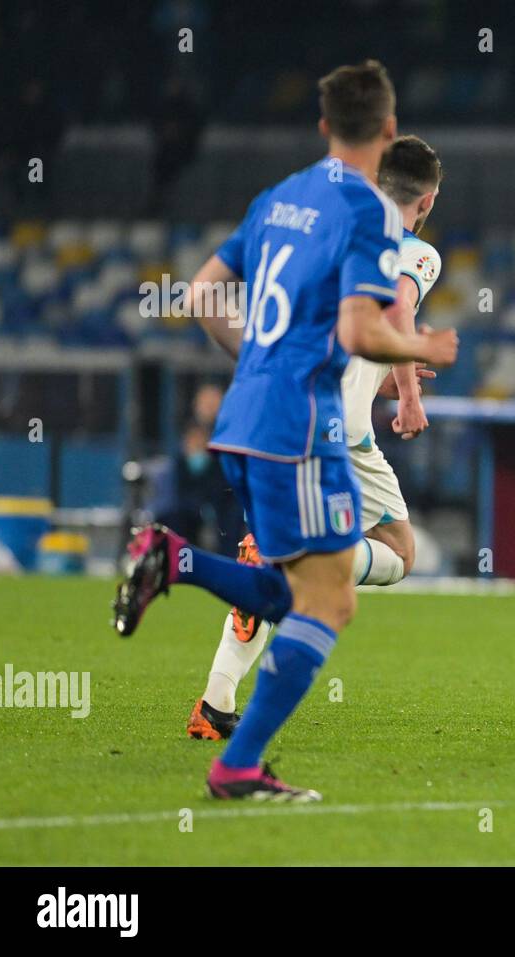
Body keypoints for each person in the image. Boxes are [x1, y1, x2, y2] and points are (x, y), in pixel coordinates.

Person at [112, 61, 459, 801]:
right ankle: (237, 760)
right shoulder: (377, 219)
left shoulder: (278, 201)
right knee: (331, 596)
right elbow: (368, 321)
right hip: (310, 426)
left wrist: (265, 361)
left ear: (324, 126)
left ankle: (182, 579)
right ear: (389, 130)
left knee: (305, 588)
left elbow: (201, 293)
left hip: (247, 413)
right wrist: (419, 350)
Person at [186, 135, 446, 741]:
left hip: (283, 406)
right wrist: (407, 394)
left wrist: (376, 378)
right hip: (337, 427)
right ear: (426, 200)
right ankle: (241, 746)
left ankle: (216, 705)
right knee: (356, 570)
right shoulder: (415, 250)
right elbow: (400, 310)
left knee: (391, 551)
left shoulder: (327, 232)